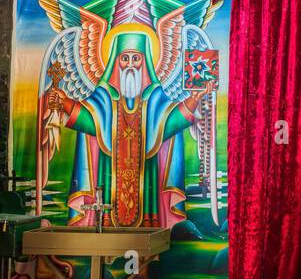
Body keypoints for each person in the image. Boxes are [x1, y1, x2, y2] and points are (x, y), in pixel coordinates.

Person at [47, 32, 210, 229]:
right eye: (125, 58)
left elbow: (170, 121)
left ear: (145, 61)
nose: (131, 64)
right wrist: (64, 102)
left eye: (136, 58)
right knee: (108, 214)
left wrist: (194, 99)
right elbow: (89, 119)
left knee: (147, 211)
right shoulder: (105, 96)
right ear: (116, 62)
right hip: (109, 171)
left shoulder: (155, 97)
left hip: (146, 173)